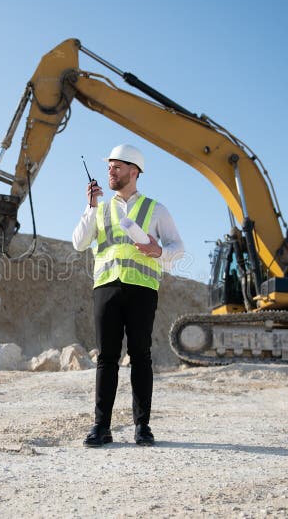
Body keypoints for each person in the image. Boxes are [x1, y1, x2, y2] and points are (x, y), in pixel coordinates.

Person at [72, 143, 184, 448]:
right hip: (106, 286)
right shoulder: (100, 208)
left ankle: (142, 427)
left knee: (141, 356)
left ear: (134, 172)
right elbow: (80, 243)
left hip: (142, 289)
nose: (110, 171)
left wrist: (158, 250)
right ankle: (101, 426)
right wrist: (90, 206)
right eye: (108, 166)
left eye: (117, 167)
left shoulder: (155, 209)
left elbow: (178, 248)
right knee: (106, 357)